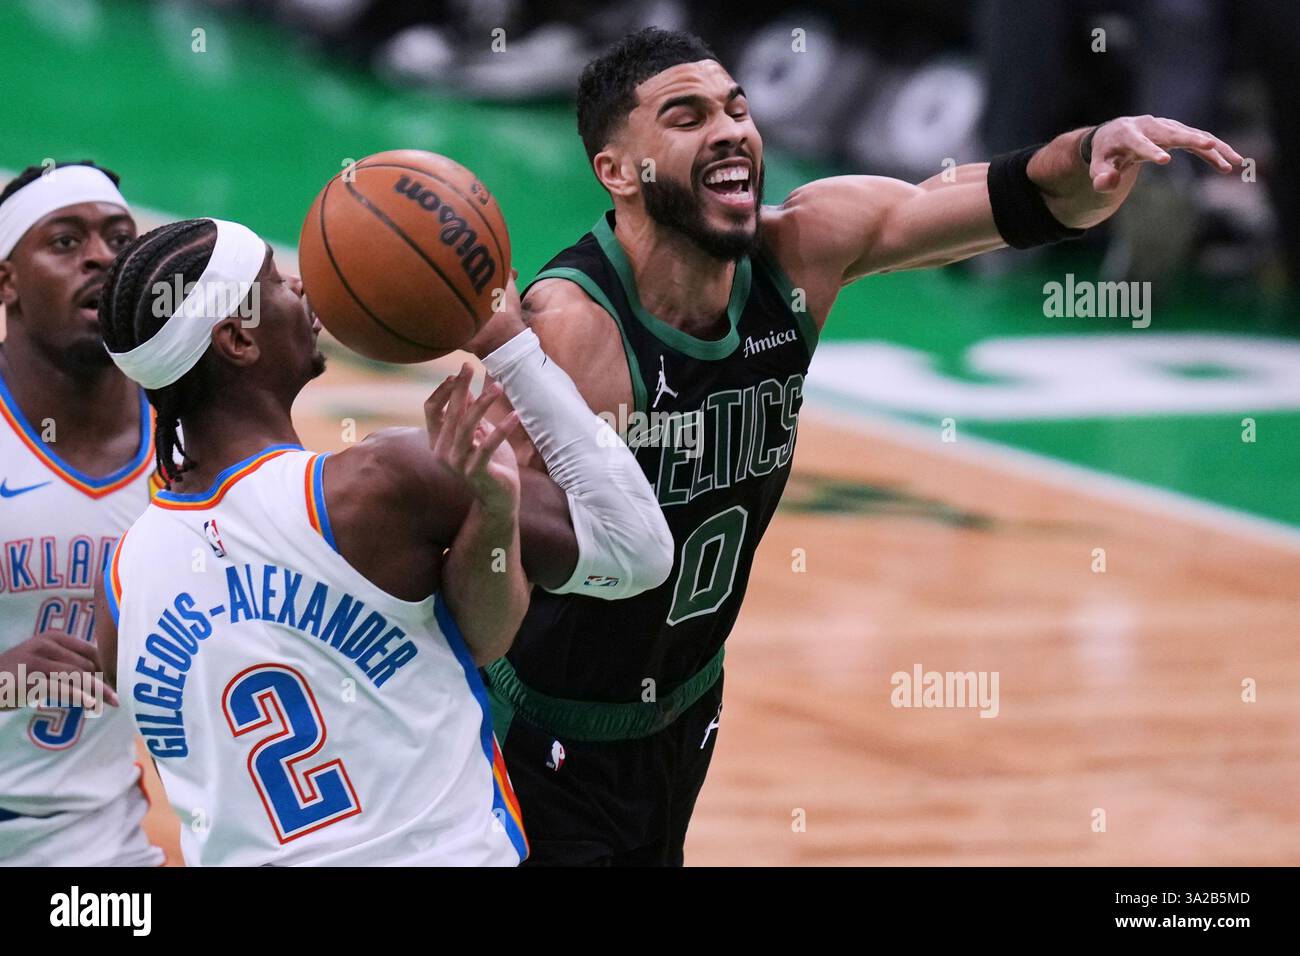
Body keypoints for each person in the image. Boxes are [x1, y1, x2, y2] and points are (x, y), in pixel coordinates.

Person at [471, 26, 1244, 865]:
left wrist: (1096, 149)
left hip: (685, 708)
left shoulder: (806, 246)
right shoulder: (573, 333)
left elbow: (1023, 200)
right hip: (544, 728)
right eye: (687, 117)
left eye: (737, 108)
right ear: (618, 171)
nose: (731, 130)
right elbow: (485, 558)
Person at [91, 217, 672, 865]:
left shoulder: (121, 578)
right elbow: (636, 549)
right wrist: (508, 345)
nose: (301, 284)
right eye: (273, 280)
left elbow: (474, 640)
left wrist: (493, 514)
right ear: (236, 338)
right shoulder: (378, 484)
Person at [0, 160, 164, 866]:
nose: (101, 255)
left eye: (120, 238)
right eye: (64, 241)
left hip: (94, 841)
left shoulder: (195, 438)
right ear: (5, 282)